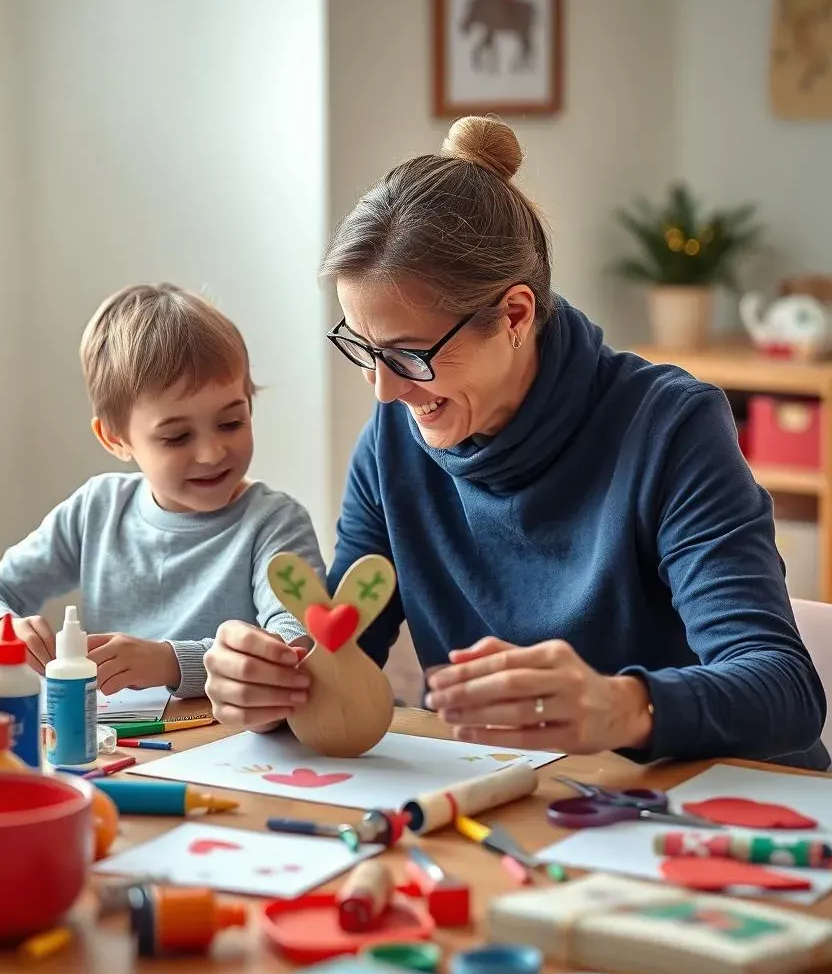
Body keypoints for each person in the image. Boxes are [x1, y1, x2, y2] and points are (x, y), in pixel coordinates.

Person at [204, 116, 829, 770]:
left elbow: (784, 688)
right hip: (535, 810)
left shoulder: (669, 429)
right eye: (362, 347)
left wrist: (621, 705)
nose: (383, 390)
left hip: (714, 815)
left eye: (410, 356)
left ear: (515, 315)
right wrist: (270, 685)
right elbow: (346, 651)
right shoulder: (394, 438)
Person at [0, 283, 323, 698]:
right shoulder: (97, 509)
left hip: (229, 748)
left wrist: (170, 662)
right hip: (116, 747)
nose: (211, 452)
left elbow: (296, 646)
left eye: (231, 423)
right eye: (177, 436)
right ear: (115, 439)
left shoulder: (275, 524)